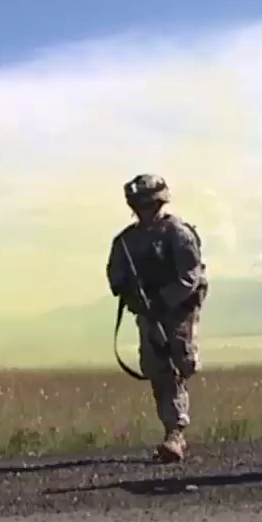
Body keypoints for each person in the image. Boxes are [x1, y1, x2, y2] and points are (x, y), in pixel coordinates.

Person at [106, 174, 207, 463]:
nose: (142, 210)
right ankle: (173, 431)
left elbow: (190, 276)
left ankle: (175, 432)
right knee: (156, 368)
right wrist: (131, 294)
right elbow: (116, 276)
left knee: (176, 364)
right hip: (148, 312)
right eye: (137, 205)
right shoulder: (127, 241)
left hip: (178, 310)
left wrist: (163, 299)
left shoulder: (177, 233)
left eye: (146, 204)